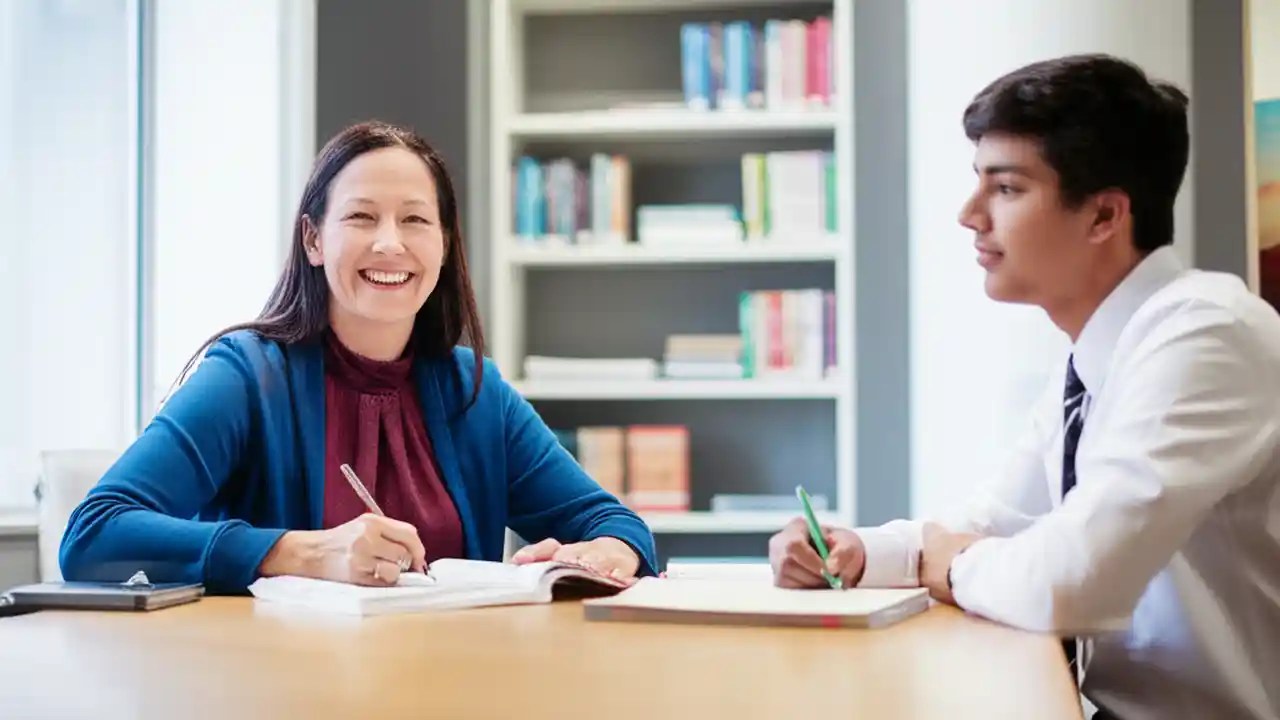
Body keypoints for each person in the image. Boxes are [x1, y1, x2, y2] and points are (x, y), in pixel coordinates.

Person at [769, 55, 1280, 720]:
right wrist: (861, 552)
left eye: (1005, 188)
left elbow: (1067, 582)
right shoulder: (1097, 356)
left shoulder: (1207, 332)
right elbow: (996, 523)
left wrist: (947, 564)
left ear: (1103, 215)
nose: (968, 214)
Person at [60, 121, 656, 593]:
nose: (390, 242)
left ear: (445, 246)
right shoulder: (245, 376)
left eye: (417, 219)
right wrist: (298, 552)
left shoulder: (475, 391)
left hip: (452, 685)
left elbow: (619, 526)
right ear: (314, 240)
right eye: (361, 216)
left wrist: (604, 551)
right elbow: (92, 535)